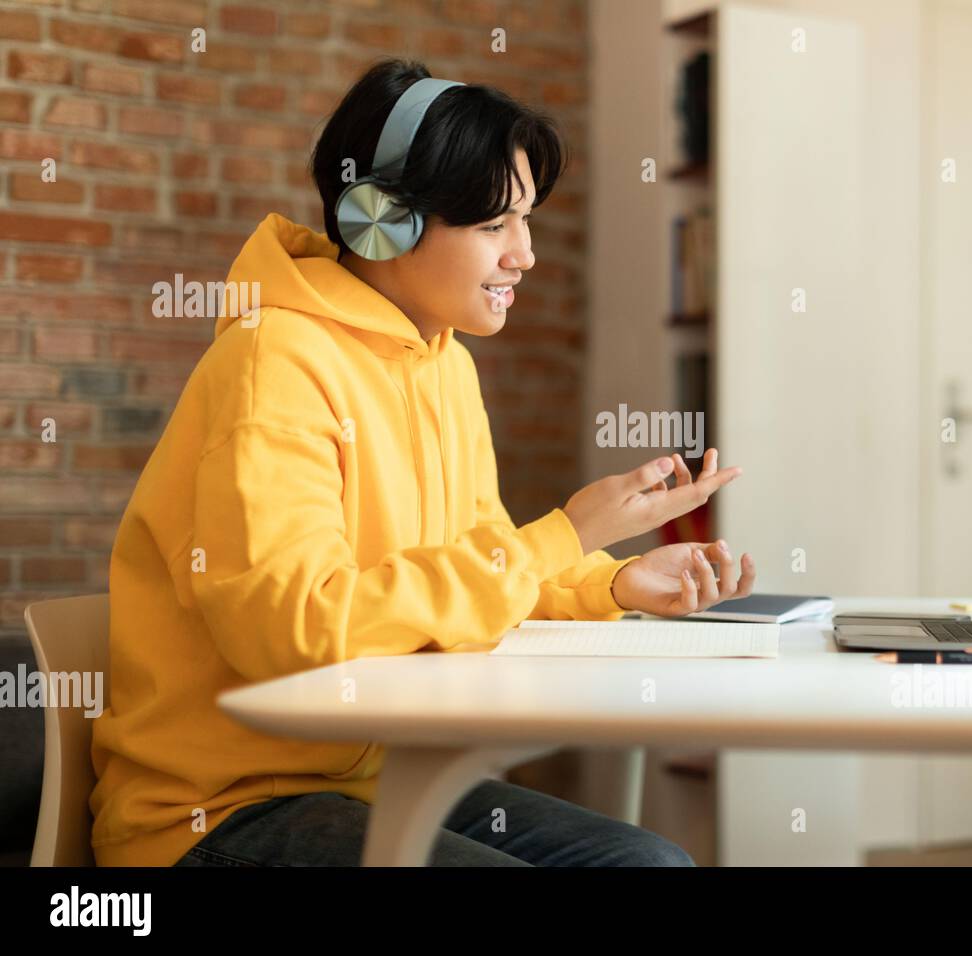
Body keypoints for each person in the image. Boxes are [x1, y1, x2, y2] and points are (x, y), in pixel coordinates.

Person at [89, 58, 755, 868]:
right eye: (493, 226)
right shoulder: (276, 363)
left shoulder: (441, 362)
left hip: (379, 779)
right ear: (383, 221)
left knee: (648, 863)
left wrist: (607, 579)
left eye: (527, 221)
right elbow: (298, 630)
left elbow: (467, 575)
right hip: (223, 812)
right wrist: (562, 533)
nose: (526, 255)